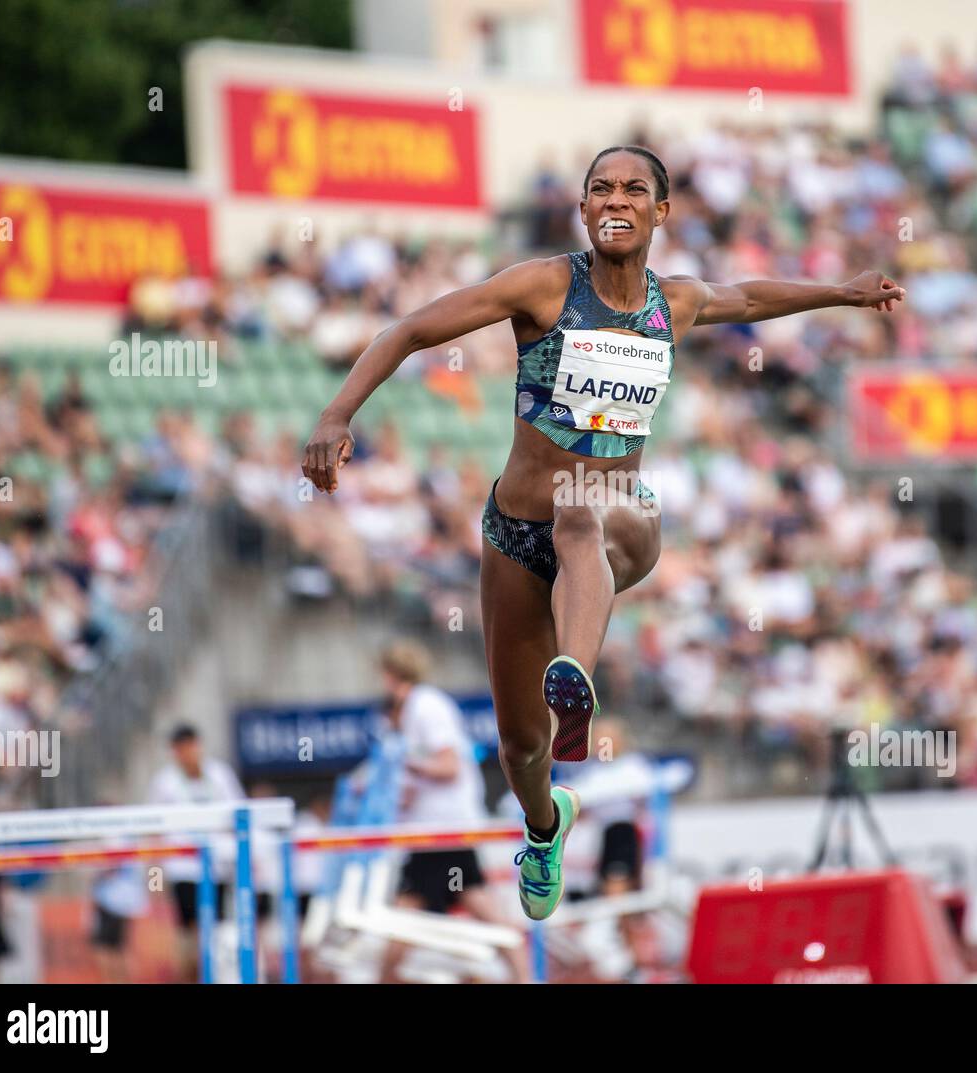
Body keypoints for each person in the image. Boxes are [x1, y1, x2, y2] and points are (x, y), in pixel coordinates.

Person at [303, 145, 904, 920]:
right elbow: (412, 329)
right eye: (599, 189)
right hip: (515, 537)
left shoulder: (673, 304)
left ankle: (572, 685)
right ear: (583, 208)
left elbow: (749, 296)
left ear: (662, 210)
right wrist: (335, 412)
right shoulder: (546, 286)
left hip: (622, 525)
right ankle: (544, 826)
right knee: (522, 749)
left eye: (633, 189)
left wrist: (842, 293)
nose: (614, 199)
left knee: (580, 502)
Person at [377, 641, 529, 983]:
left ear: (390, 675)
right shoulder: (417, 710)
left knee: (414, 910)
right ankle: (522, 971)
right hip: (433, 832)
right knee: (426, 905)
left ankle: (522, 971)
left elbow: (448, 766)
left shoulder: (425, 706)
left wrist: (403, 764)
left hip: (442, 831)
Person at [147, 724, 246, 982]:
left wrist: (244, 861)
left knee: (217, 931)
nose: (187, 754)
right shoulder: (165, 782)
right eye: (181, 749)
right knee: (189, 934)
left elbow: (240, 816)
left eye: (190, 747)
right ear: (174, 752)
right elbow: (153, 831)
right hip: (183, 868)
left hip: (218, 866)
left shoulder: (220, 775)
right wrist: (155, 879)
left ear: (198, 746)